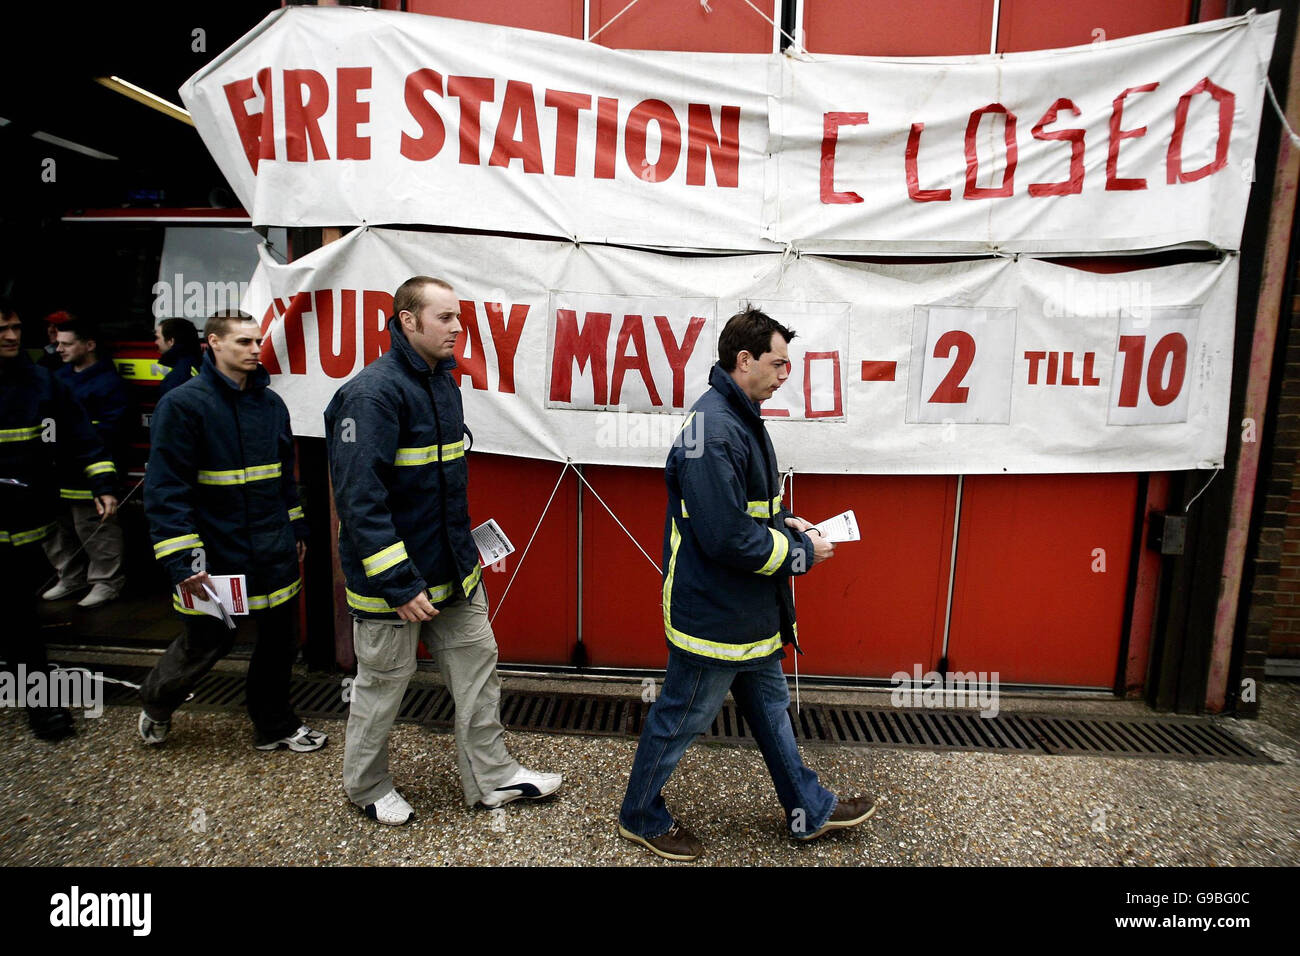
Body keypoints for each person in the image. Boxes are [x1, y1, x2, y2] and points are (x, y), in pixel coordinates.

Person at [617, 305, 876, 862]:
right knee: (679, 720)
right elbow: (727, 537)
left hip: (747, 618)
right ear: (744, 360)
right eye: (779, 364)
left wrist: (787, 524)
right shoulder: (712, 432)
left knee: (773, 715)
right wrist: (801, 552)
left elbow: (749, 512)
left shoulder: (740, 416)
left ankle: (810, 810)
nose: (787, 374)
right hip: (714, 619)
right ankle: (639, 815)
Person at [325, 276, 561, 826]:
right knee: (382, 688)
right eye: (446, 318)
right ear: (408, 322)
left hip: (453, 572)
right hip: (395, 585)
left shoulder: (442, 383)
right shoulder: (372, 394)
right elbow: (359, 502)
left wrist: (463, 561)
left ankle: (493, 778)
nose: (459, 328)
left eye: (458, 317)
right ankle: (366, 786)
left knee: (479, 674)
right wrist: (399, 583)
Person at [136, 310, 327, 753]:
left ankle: (274, 726)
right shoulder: (183, 405)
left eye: (257, 341)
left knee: (280, 644)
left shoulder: (271, 405)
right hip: (215, 555)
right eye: (242, 342)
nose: (254, 350)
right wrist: (183, 562)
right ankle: (157, 702)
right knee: (206, 643)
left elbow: (284, 478)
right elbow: (166, 491)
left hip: (272, 549)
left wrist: (296, 527)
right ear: (214, 344)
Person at [0, 298, 118, 740]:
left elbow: (82, 436)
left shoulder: (41, 383)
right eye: (2, 330)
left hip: (23, 528)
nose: (12, 337)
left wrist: (102, 483)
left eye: (15, 327)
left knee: (21, 622)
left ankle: (41, 708)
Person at [40, 318, 129, 608]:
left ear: (89, 345)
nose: (59, 349)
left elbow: (108, 434)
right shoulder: (57, 378)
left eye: (67, 344)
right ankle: (69, 577)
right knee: (56, 530)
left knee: (95, 529)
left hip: (88, 471)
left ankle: (106, 582)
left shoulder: (109, 384)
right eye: (58, 343)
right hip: (56, 471)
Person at [154, 317, 203, 398]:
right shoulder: (201, 367)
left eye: (158, 338)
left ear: (171, 341)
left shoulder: (175, 380)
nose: (156, 342)